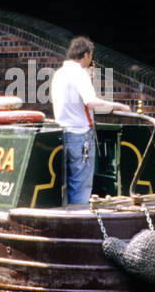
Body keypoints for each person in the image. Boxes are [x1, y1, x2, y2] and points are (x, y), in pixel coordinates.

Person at [50, 36, 129, 205]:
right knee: (81, 184)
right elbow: (90, 102)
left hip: (62, 132)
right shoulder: (80, 74)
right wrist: (118, 106)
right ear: (86, 55)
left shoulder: (59, 74)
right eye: (91, 56)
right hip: (80, 134)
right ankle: (79, 220)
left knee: (66, 182)